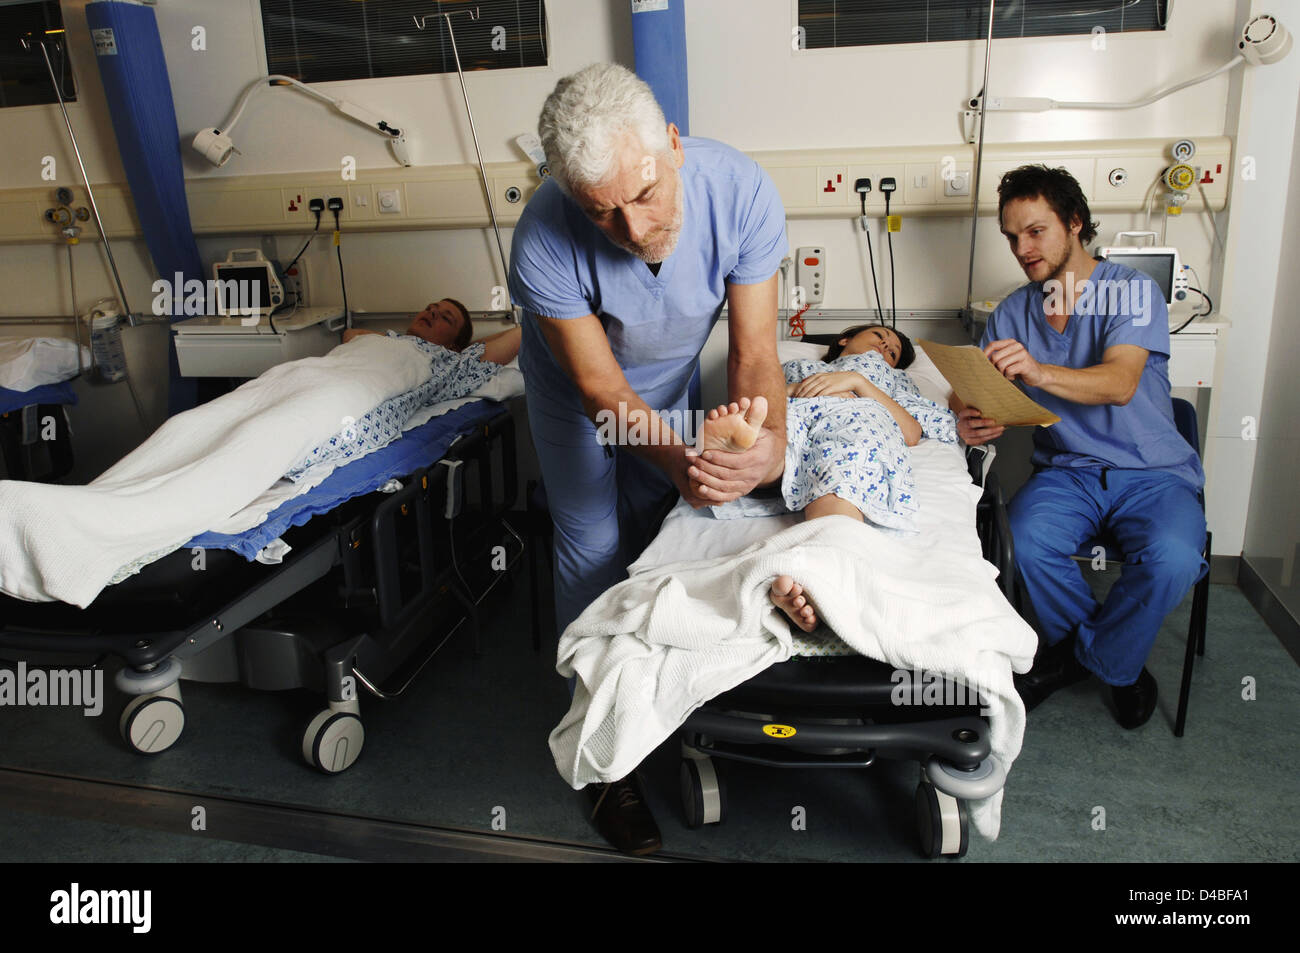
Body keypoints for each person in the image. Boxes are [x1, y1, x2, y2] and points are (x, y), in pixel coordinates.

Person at [509, 63, 789, 854]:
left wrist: (761, 443)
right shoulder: (542, 236)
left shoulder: (741, 193)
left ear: (673, 144)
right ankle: (603, 765)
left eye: (645, 194)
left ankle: (675, 702)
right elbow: (601, 391)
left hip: (666, 385)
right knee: (594, 543)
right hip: (577, 399)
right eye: (603, 214)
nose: (633, 230)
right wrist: (681, 461)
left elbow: (756, 354)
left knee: (672, 524)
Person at [956, 165, 1206, 730]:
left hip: (1153, 473)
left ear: (1074, 224)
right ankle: (1118, 662)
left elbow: (1118, 385)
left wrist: (1039, 371)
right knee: (1023, 539)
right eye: (1012, 236)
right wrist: (974, 417)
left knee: (1173, 559)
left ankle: (1080, 662)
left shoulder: (1134, 292)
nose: (1022, 248)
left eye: (1036, 231)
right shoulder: (1011, 313)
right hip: (1067, 473)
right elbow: (979, 394)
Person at [697, 324, 955, 632]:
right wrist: (797, 389)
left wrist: (858, 383)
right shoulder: (798, 367)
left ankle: (818, 581)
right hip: (795, 410)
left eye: (893, 352)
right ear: (844, 339)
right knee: (771, 443)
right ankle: (738, 456)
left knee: (839, 464)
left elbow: (912, 432)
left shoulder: (895, 382)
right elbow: (765, 399)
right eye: (879, 338)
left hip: (857, 416)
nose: (885, 348)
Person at [342, 297, 520, 365]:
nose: (433, 312)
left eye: (445, 318)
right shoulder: (394, 341)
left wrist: (462, 349)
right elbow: (350, 335)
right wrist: (401, 341)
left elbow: (520, 334)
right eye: (430, 308)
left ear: (453, 346)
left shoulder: (450, 363)